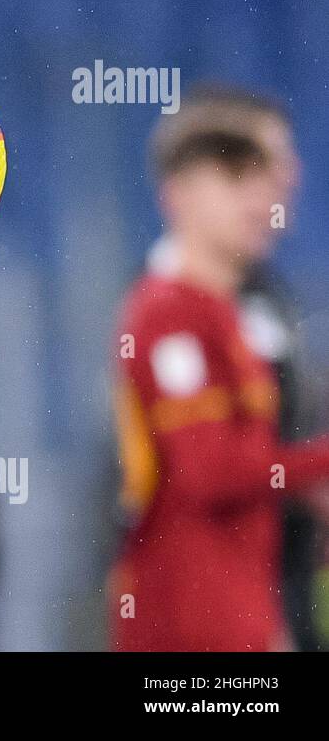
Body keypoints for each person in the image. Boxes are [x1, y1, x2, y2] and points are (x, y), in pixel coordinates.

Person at [109, 89, 329, 651]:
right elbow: (209, 472)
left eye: (275, 181)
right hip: (184, 622)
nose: (267, 201)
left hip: (243, 613)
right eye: (239, 179)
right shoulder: (164, 312)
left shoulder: (239, 309)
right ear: (178, 192)